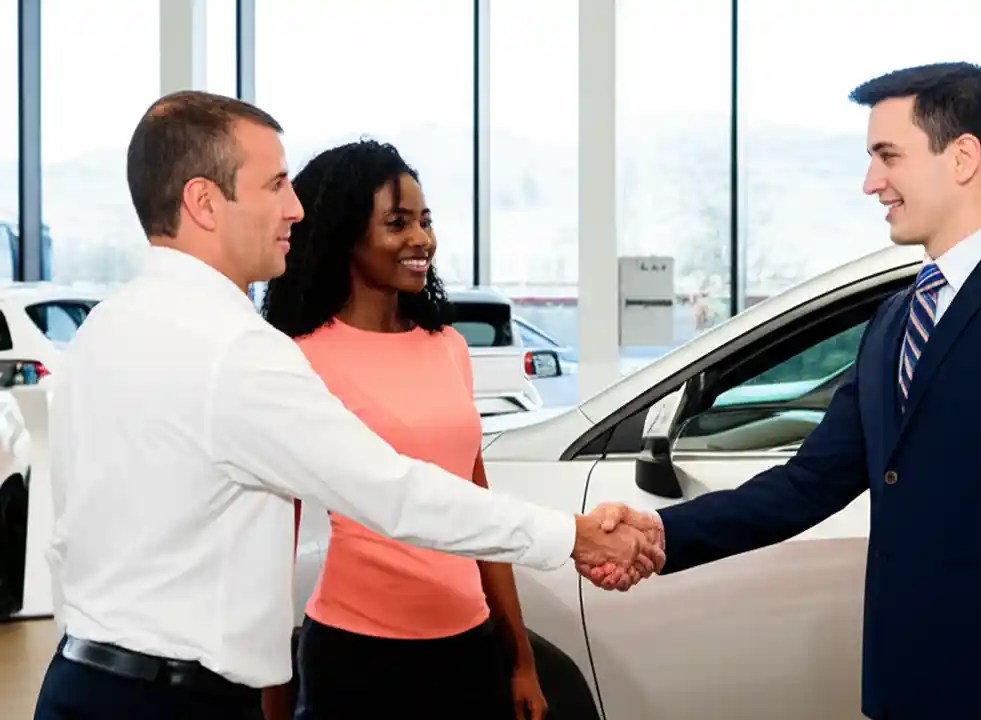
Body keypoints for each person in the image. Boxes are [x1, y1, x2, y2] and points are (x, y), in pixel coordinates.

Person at [34, 91, 659, 720]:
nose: (295, 207)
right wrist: (571, 536)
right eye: (275, 184)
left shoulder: (101, 330)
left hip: (77, 682)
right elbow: (392, 492)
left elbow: (69, 533)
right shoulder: (238, 349)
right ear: (204, 201)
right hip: (175, 701)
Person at [590, 62, 981, 720]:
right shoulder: (895, 319)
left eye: (888, 156)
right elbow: (809, 483)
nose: (870, 183)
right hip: (905, 691)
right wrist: (658, 533)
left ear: (962, 157)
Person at [257, 140, 547, 719]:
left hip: (469, 647)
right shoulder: (299, 359)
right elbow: (271, 540)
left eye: (424, 220)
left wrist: (521, 659)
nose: (422, 240)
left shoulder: (449, 348)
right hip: (356, 656)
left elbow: (477, 508)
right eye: (397, 223)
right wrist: (270, 694)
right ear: (344, 234)